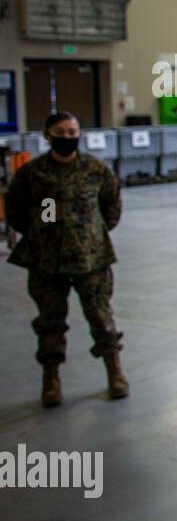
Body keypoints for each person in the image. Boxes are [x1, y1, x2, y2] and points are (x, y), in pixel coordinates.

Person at [5, 111, 128, 406]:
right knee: (50, 321)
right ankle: (51, 379)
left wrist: (92, 232)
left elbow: (111, 205)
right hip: (47, 261)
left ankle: (115, 373)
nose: (68, 138)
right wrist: (43, 233)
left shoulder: (94, 169)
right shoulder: (34, 173)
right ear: (48, 135)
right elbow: (16, 210)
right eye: (61, 132)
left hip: (91, 259)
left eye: (73, 132)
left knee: (101, 315)